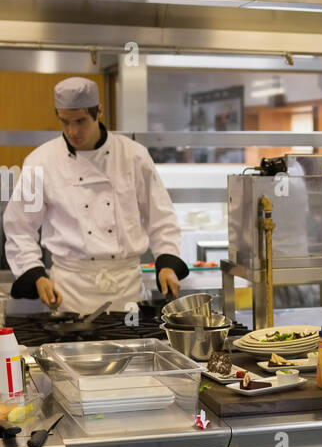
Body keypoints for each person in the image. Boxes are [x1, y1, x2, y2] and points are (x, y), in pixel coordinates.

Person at [4, 77, 188, 312]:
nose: (73, 131)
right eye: (65, 122)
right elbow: (20, 227)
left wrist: (167, 262)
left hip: (126, 289)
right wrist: (36, 274)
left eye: (80, 121)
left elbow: (161, 217)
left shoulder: (134, 156)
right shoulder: (39, 163)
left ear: (99, 111)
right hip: (69, 292)